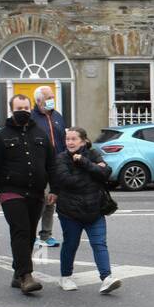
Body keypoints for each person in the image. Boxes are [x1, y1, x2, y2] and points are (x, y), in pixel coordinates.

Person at [0, 93, 56, 295]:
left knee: (29, 235)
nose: (23, 112)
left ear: (30, 108)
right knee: (21, 231)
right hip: (11, 192)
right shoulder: (1, 136)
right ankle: (26, 276)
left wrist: (55, 190)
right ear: (11, 110)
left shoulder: (41, 134)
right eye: (19, 109)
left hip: (36, 193)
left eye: (26, 108)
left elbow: (51, 164)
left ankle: (17, 274)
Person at [52, 126, 123, 294]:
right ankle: (65, 277)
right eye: (67, 139)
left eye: (73, 139)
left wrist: (84, 163)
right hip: (70, 211)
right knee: (70, 244)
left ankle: (106, 278)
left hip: (94, 209)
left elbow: (106, 172)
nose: (69, 142)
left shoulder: (92, 154)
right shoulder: (61, 158)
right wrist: (92, 171)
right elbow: (65, 180)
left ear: (83, 141)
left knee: (99, 244)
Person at [32, 85, 67, 249]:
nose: (52, 100)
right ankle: (30, 232)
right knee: (42, 200)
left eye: (52, 97)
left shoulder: (57, 116)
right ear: (39, 101)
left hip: (57, 165)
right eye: (48, 98)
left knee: (51, 201)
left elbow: (63, 139)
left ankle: (46, 234)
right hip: (40, 166)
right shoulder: (32, 118)